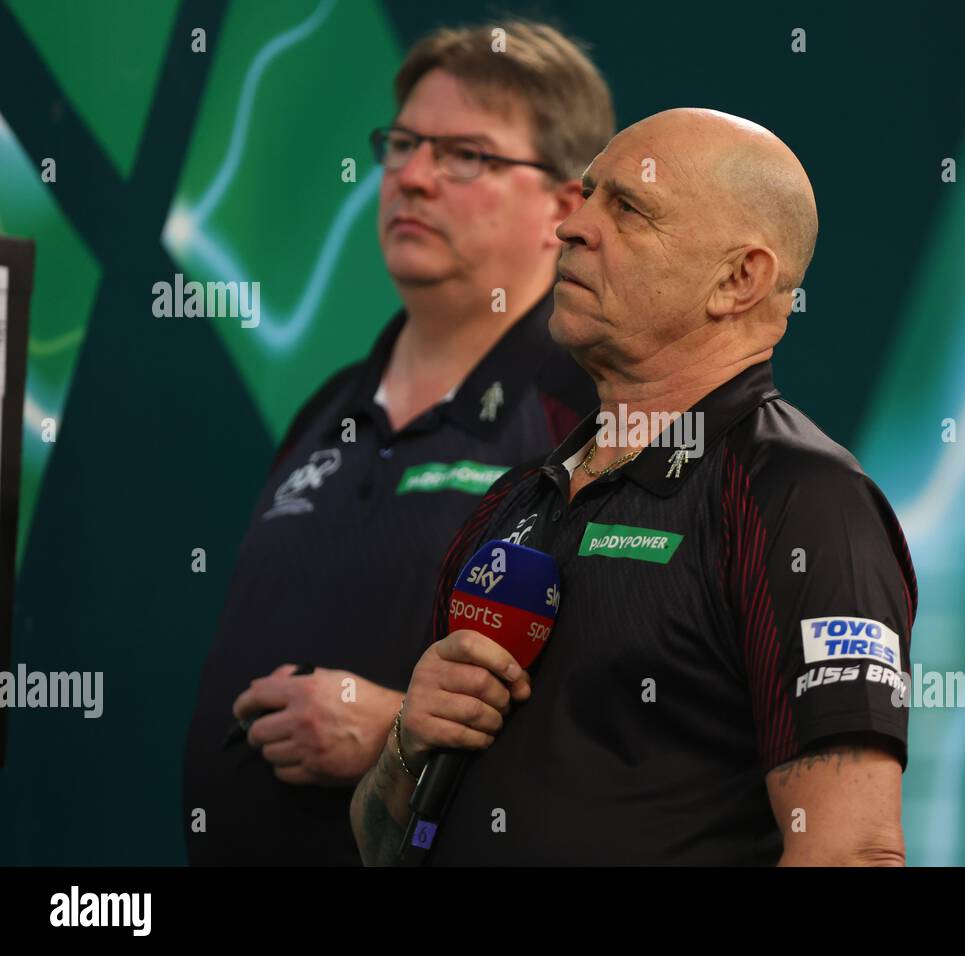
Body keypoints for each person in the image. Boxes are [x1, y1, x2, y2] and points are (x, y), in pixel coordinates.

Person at [351, 108, 918, 865]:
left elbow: (852, 851)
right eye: (586, 196)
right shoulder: (514, 504)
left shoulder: (804, 501)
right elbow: (377, 845)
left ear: (738, 280)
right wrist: (405, 742)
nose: (573, 226)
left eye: (627, 207)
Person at [183, 21, 613, 865]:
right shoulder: (328, 408)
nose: (411, 177)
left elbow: (630, 727)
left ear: (562, 209)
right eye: (404, 143)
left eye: (464, 156)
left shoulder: (591, 420)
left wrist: (397, 730)